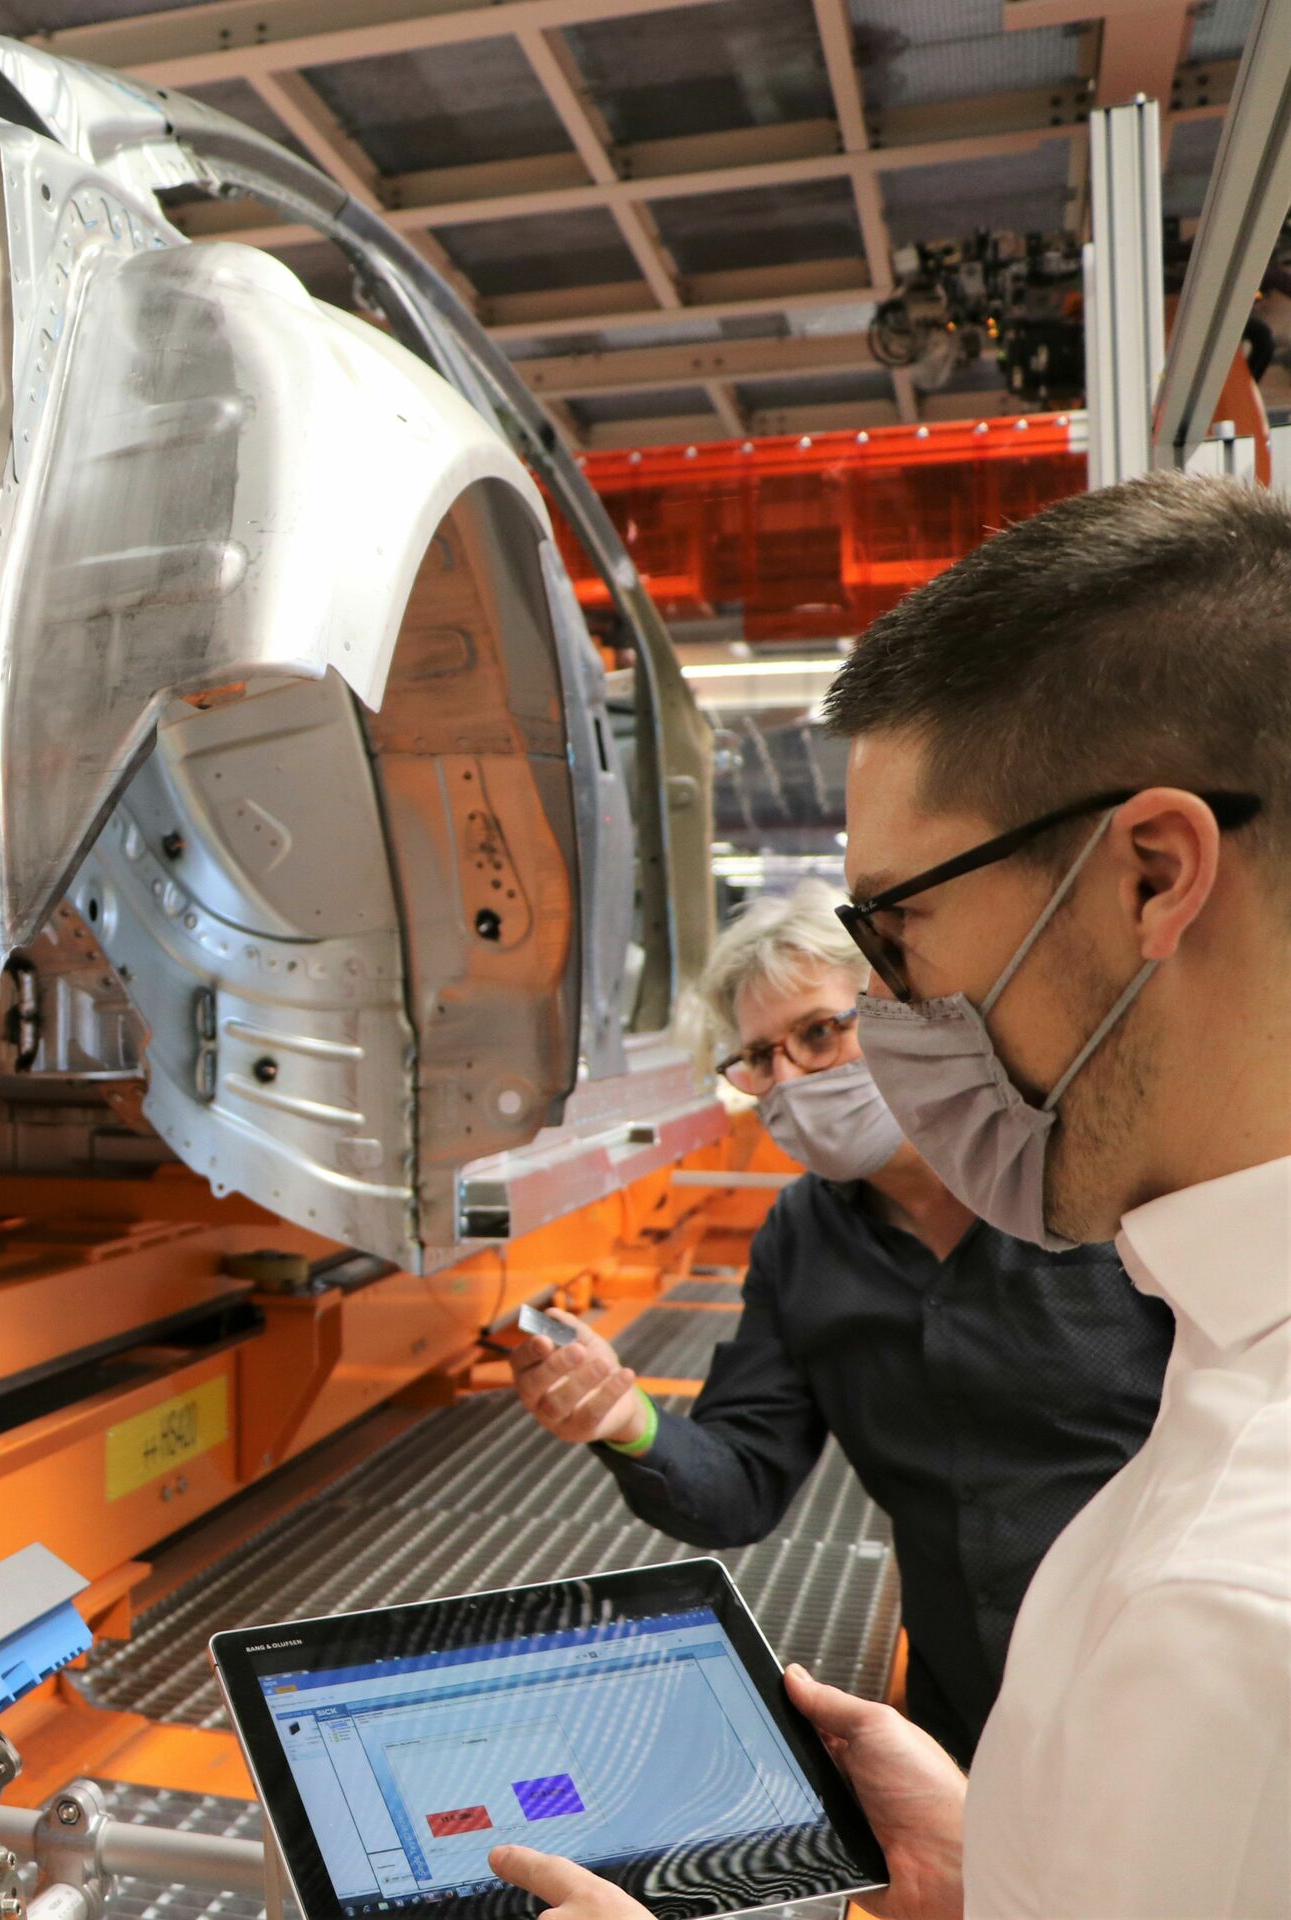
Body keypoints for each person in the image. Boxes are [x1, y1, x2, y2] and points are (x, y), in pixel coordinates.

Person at [493, 474, 1291, 1920]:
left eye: (897, 933)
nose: (885, 1027)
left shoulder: (1226, 1604)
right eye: (763, 1058)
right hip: (994, 1753)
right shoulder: (1182, 1295)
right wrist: (1005, 1858)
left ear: (1153, 876)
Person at [503, 882, 1170, 1764]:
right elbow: (742, 1483)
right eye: (759, 1058)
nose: (789, 1081)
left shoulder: (1101, 1185)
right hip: (973, 1716)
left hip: (1171, 1692)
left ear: (907, 1013)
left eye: (819, 1033)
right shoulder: (800, 1239)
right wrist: (626, 1420)